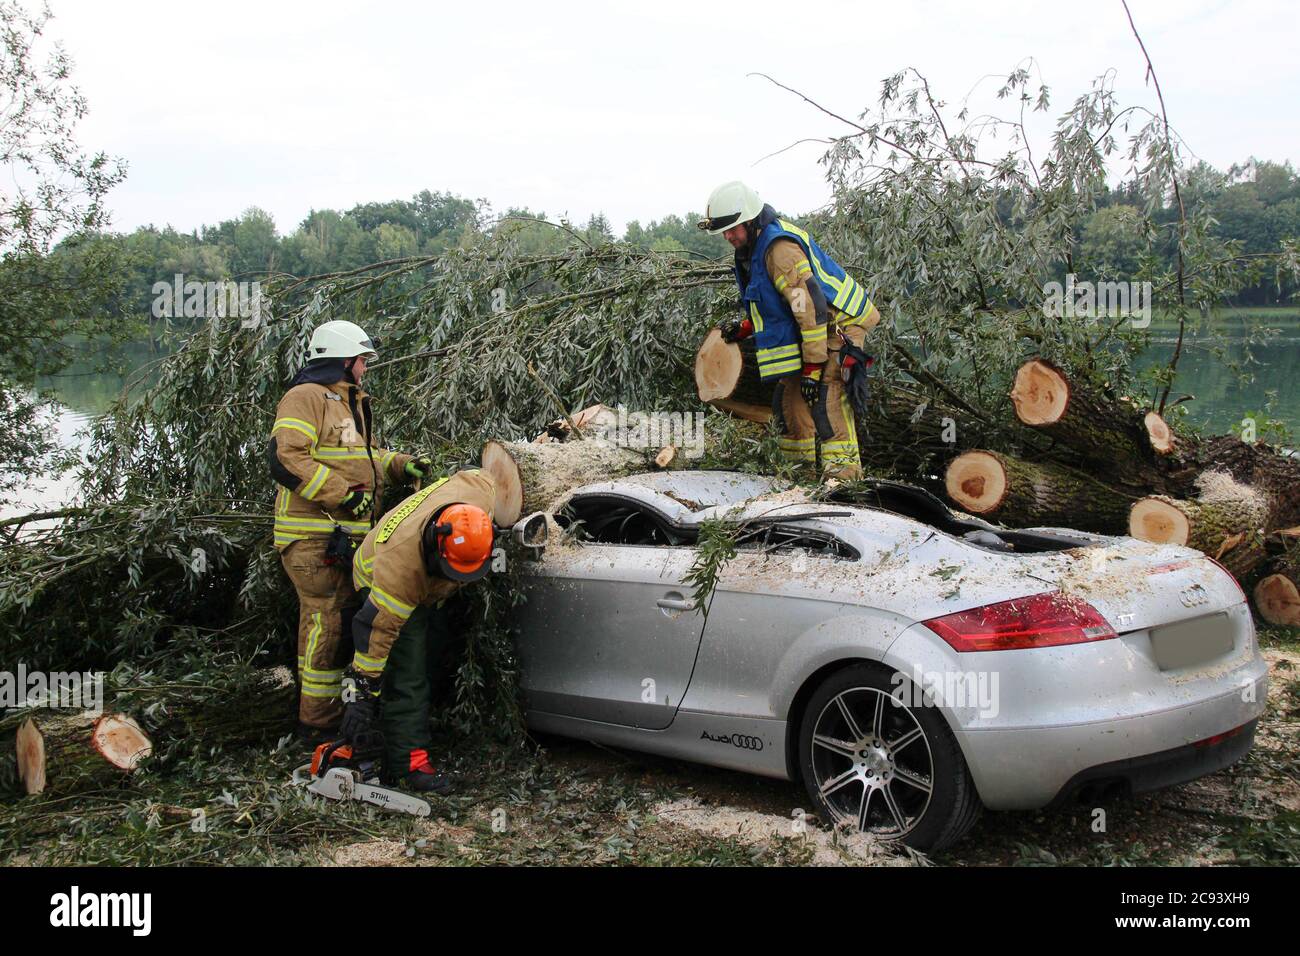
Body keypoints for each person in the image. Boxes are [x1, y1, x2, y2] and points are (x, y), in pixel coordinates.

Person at [268, 320, 434, 744]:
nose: (364, 368)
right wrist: (343, 496)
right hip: (313, 541)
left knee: (342, 623)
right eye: (361, 360)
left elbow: (363, 457)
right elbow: (285, 457)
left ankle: (339, 715)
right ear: (342, 360)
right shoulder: (305, 397)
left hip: (342, 540)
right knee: (328, 626)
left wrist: (400, 464)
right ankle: (317, 726)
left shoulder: (344, 402)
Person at [699, 181, 880, 480]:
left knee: (826, 396)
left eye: (733, 229)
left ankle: (845, 480)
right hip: (814, 326)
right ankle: (798, 477)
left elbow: (810, 312)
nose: (728, 237)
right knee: (789, 402)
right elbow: (778, 307)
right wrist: (747, 328)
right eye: (724, 232)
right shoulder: (754, 248)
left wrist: (811, 368)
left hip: (839, 326)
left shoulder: (779, 251)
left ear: (751, 219)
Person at [339, 467, 498, 793]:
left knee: (435, 650)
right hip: (375, 581)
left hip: (425, 590)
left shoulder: (480, 494)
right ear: (436, 547)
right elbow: (375, 631)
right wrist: (361, 694)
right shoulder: (400, 571)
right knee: (408, 671)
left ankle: (410, 726)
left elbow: (493, 476)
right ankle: (409, 763)